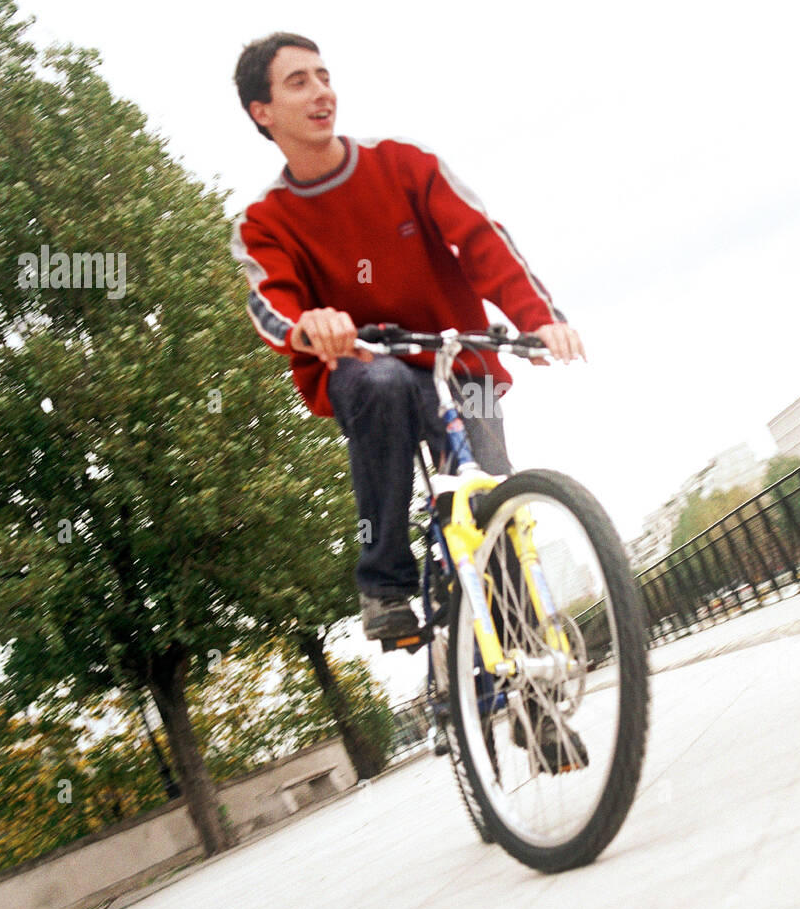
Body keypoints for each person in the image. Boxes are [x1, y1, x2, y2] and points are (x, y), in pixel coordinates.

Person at [229, 32, 586, 647]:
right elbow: (269, 304)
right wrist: (308, 327)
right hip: (368, 367)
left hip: (459, 364)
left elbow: (480, 241)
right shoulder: (264, 220)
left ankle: (535, 685)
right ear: (263, 112)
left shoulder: (403, 164)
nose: (322, 92)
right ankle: (385, 583)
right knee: (381, 381)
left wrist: (538, 316)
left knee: (490, 497)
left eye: (324, 76)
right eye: (298, 82)